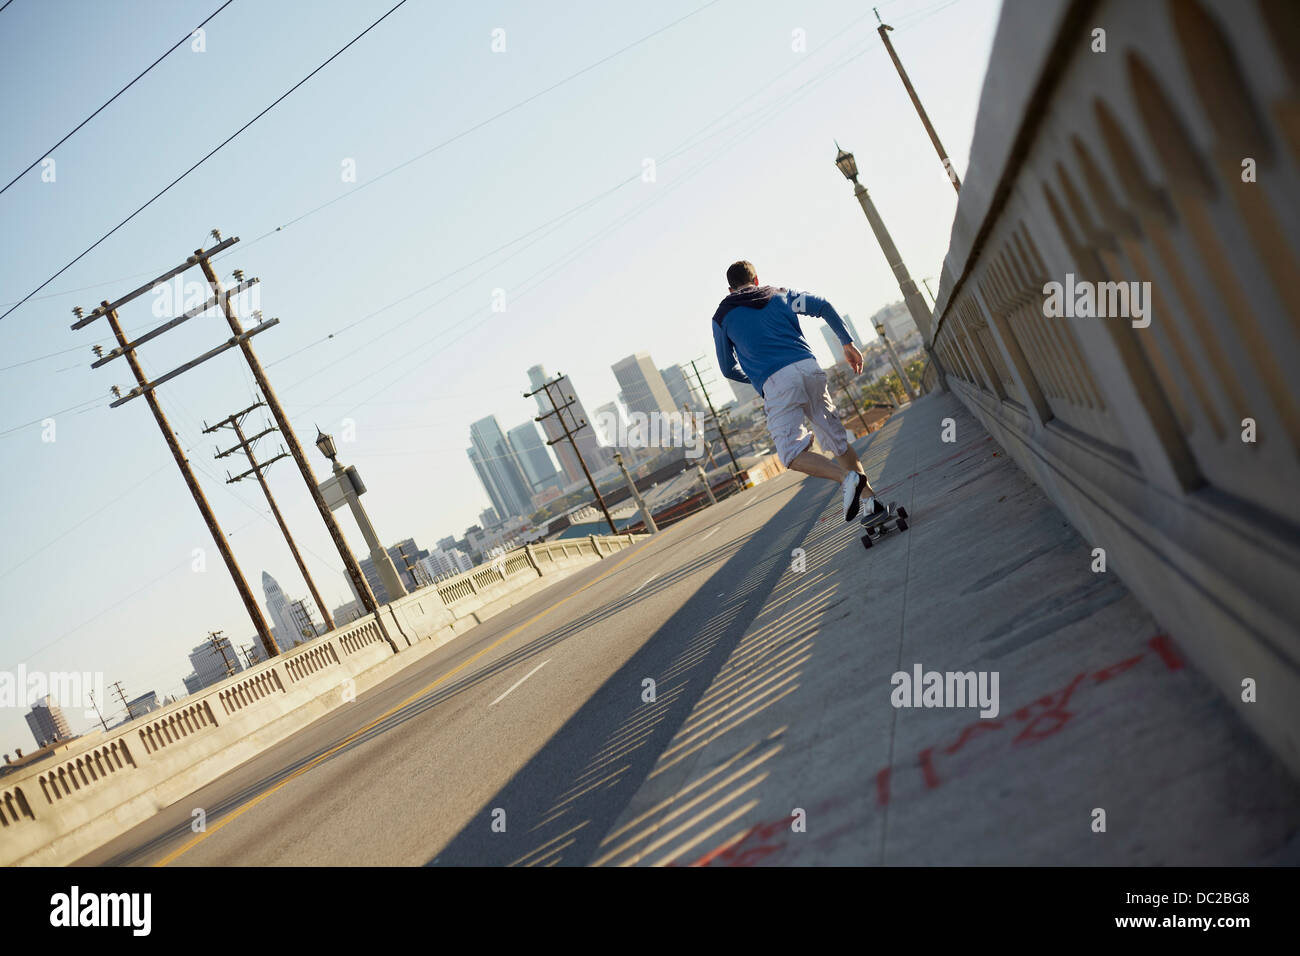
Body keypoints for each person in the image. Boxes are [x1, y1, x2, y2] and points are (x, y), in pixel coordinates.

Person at [711, 259, 883, 522]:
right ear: (756, 280)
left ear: (730, 289)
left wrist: (760, 380)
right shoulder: (781, 295)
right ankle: (871, 502)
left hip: (777, 382)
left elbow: (727, 367)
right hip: (809, 368)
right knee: (837, 441)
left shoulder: (722, 317)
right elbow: (823, 306)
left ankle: (845, 478)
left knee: (791, 454)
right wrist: (846, 342)